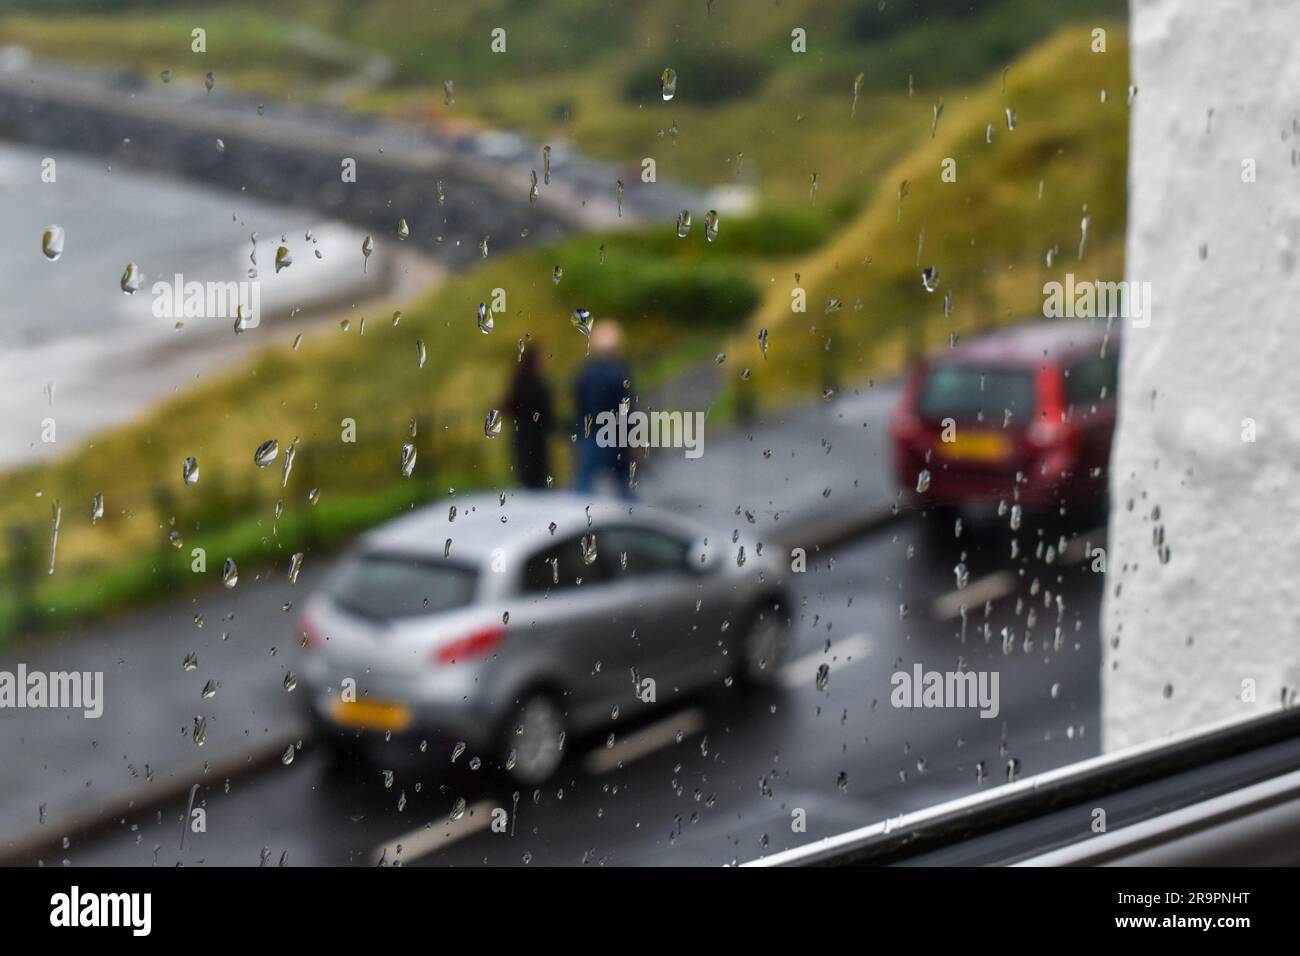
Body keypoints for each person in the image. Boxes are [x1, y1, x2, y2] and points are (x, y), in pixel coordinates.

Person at [573, 321, 634, 499]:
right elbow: (625, 407)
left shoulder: (586, 371)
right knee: (623, 482)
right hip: (614, 432)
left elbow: (578, 399)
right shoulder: (619, 372)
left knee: (584, 482)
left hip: (590, 431)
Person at [503, 346, 553, 489]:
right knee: (535, 475)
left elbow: (507, 406)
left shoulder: (518, 381)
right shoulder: (537, 384)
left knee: (528, 475)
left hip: (524, 435)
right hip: (534, 436)